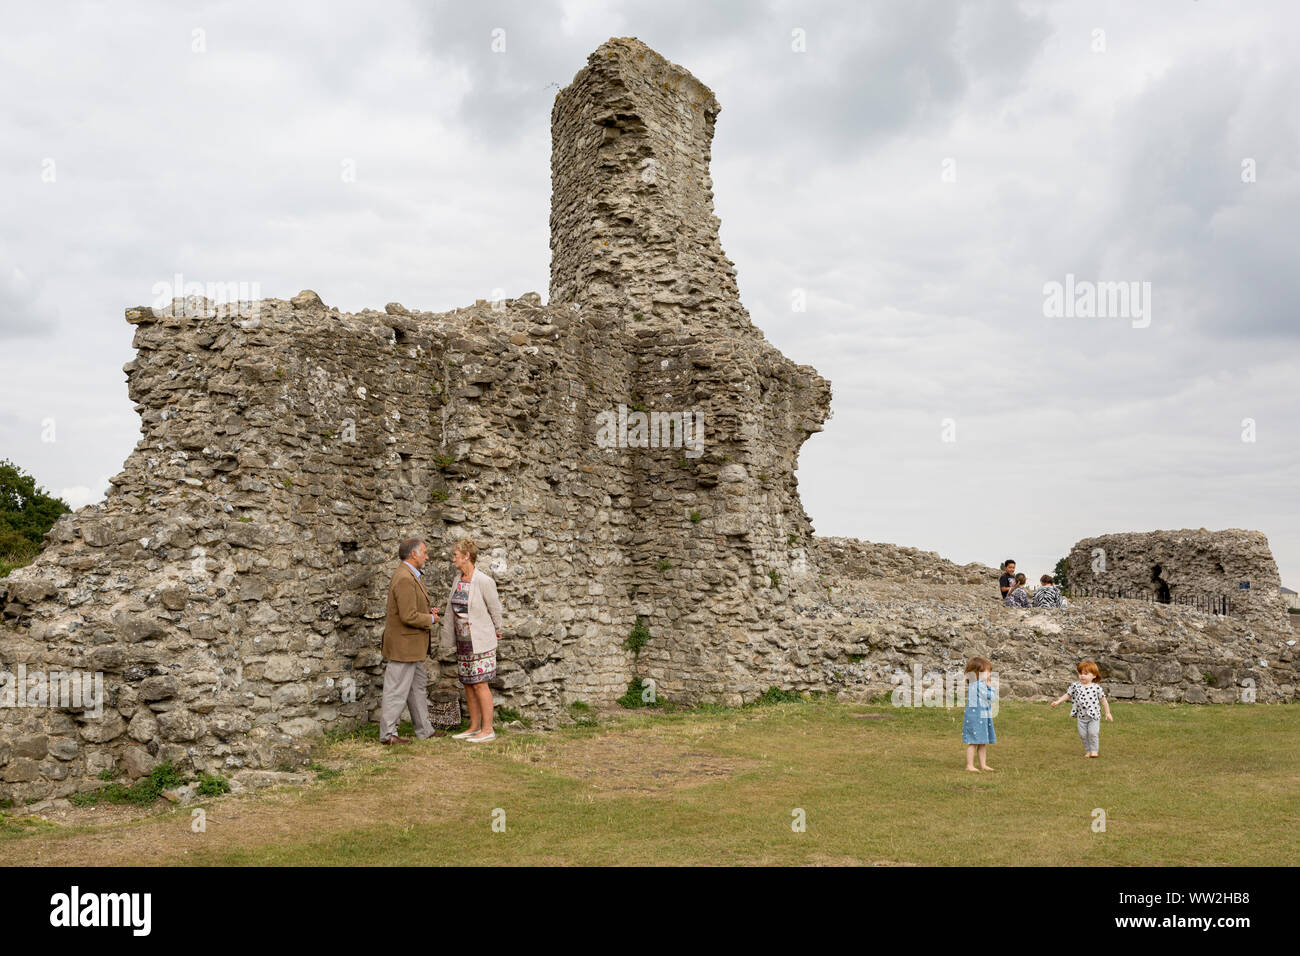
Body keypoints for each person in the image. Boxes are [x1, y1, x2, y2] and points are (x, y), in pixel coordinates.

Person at [379, 537, 444, 745]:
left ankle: (424, 730)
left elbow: (410, 610)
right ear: (413, 554)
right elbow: (407, 616)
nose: (427, 556)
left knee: (417, 689)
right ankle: (388, 735)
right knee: (396, 690)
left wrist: (427, 611)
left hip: (412, 647)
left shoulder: (409, 575)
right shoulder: (405, 578)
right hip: (403, 646)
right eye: (424, 552)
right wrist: (431, 619)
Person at [441, 537, 504, 743]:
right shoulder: (457, 580)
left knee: (480, 684)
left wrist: (498, 629)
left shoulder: (484, 581)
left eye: (455, 556)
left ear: (467, 556)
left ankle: (488, 729)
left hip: (481, 642)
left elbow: (495, 609)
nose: (453, 559)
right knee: (468, 684)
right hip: (463, 643)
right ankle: (474, 727)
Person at [1051, 661, 1113, 758]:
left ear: (1094, 675)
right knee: (1083, 735)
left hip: (1094, 716)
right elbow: (1068, 695)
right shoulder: (1075, 686)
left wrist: (1108, 713)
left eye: (1085, 674)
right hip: (1081, 717)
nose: (1082, 676)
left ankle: (1094, 750)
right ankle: (1088, 750)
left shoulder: (1096, 688)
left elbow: (1104, 701)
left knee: (1093, 733)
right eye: (1080, 673)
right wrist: (1058, 701)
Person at [962, 656, 997, 771]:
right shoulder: (979, 685)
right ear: (978, 673)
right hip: (976, 718)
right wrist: (991, 687)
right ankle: (969, 765)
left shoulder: (975, 684)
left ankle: (983, 765)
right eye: (987, 671)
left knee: (981, 742)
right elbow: (991, 698)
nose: (989, 674)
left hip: (980, 717)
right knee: (974, 742)